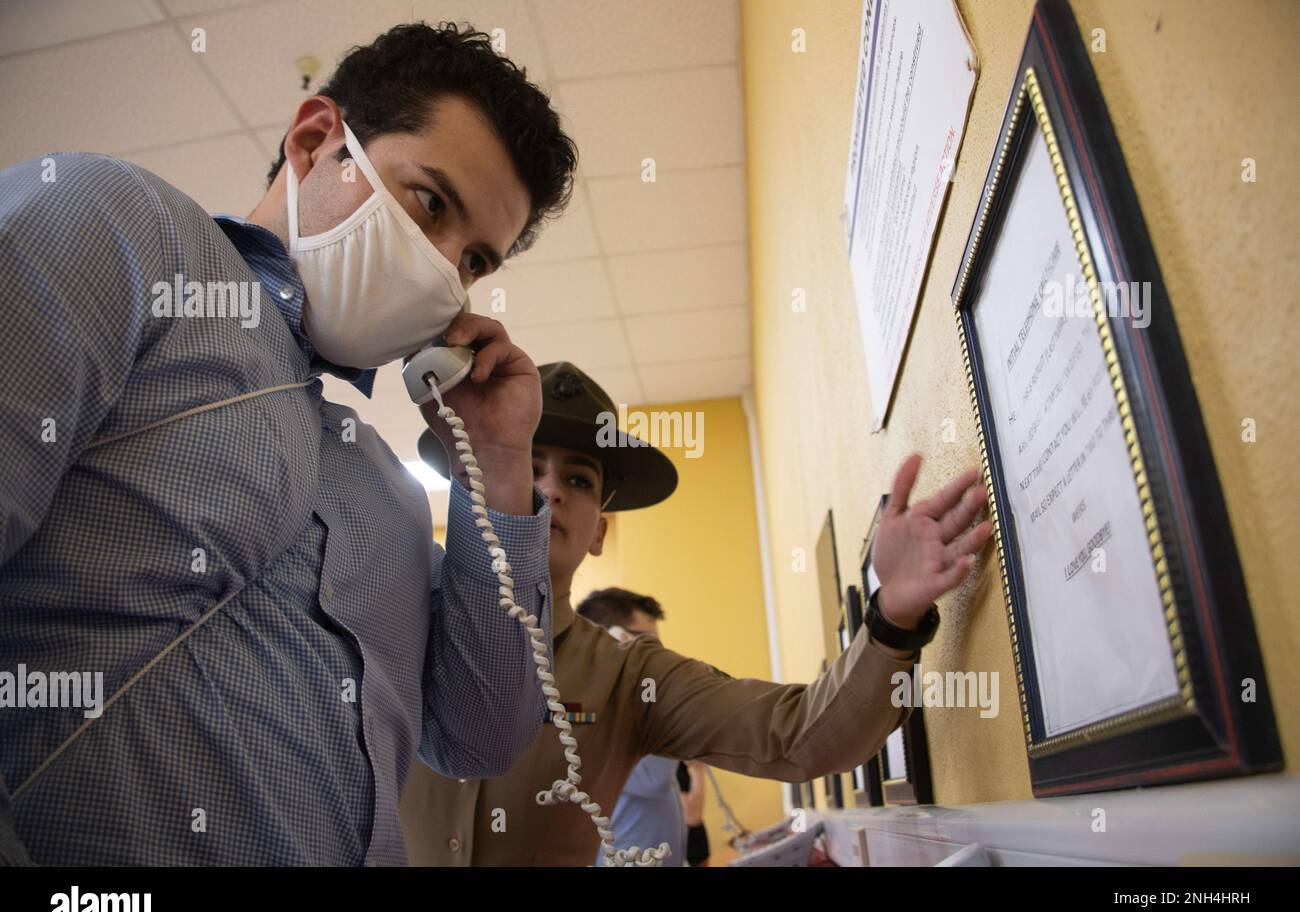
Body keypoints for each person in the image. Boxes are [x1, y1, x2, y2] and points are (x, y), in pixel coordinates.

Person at [0, 23, 578, 865]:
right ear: (315, 143)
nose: (446, 270)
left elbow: (478, 738)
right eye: (431, 204)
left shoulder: (389, 494)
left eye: (475, 258)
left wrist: (494, 466)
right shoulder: (117, 226)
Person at [399, 362, 992, 866]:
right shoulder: (393, 618)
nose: (550, 489)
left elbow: (798, 736)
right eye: (528, 466)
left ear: (599, 533)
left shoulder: (629, 677)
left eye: (577, 479)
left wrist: (891, 618)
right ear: (476, 487)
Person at [576, 588, 687, 867]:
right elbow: (653, 779)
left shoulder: (631, 702)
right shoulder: (589, 713)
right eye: (649, 644)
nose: (658, 656)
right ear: (611, 637)